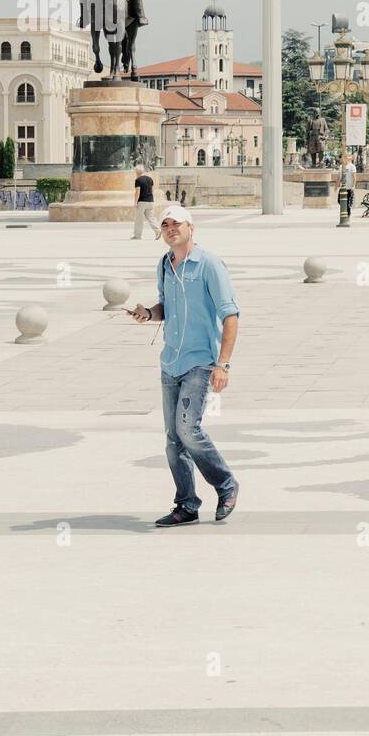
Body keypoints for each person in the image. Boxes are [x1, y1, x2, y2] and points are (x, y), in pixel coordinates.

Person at [130, 205, 240, 526]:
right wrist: (148, 314)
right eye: (164, 225)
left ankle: (226, 484)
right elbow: (165, 306)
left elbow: (230, 315)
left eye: (175, 223)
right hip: (170, 363)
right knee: (173, 440)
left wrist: (224, 365)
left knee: (188, 430)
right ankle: (187, 503)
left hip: (200, 361)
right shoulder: (165, 264)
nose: (169, 228)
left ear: (191, 227)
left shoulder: (209, 265)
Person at [131, 163, 159, 239]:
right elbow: (152, 191)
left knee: (139, 219)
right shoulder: (150, 179)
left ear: (137, 172)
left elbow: (137, 192)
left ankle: (137, 235)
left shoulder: (138, 180)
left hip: (142, 201)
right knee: (151, 217)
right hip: (150, 201)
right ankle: (158, 230)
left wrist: (135, 202)